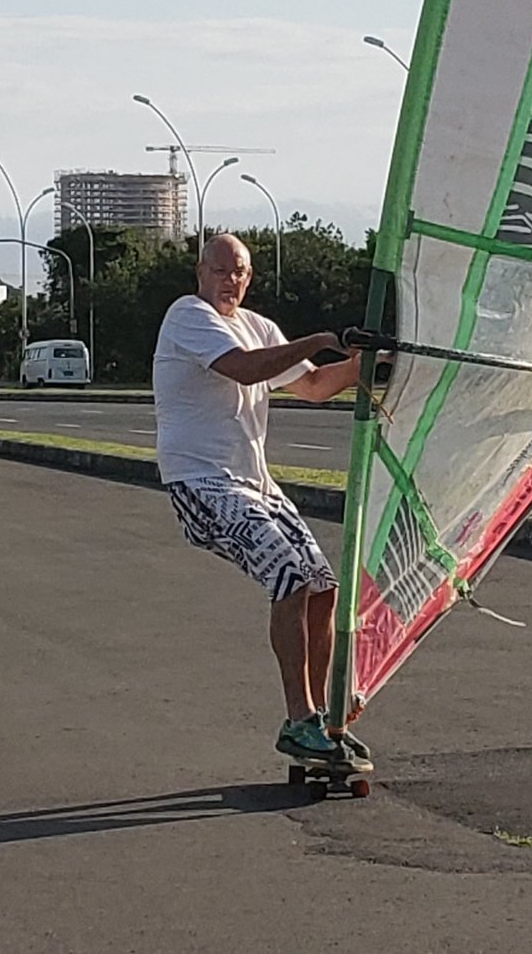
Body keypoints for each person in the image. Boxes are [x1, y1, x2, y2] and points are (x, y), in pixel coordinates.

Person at [152, 233, 367, 766]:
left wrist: (367, 360)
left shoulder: (259, 326)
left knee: (323, 586)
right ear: (200, 272)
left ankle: (323, 718)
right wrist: (320, 338)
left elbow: (314, 386)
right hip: (201, 481)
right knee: (288, 576)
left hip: (256, 483)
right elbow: (244, 368)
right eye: (221, 271)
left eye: (240, 273)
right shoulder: (187, 316)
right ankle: (298, 719)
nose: (231, 282)